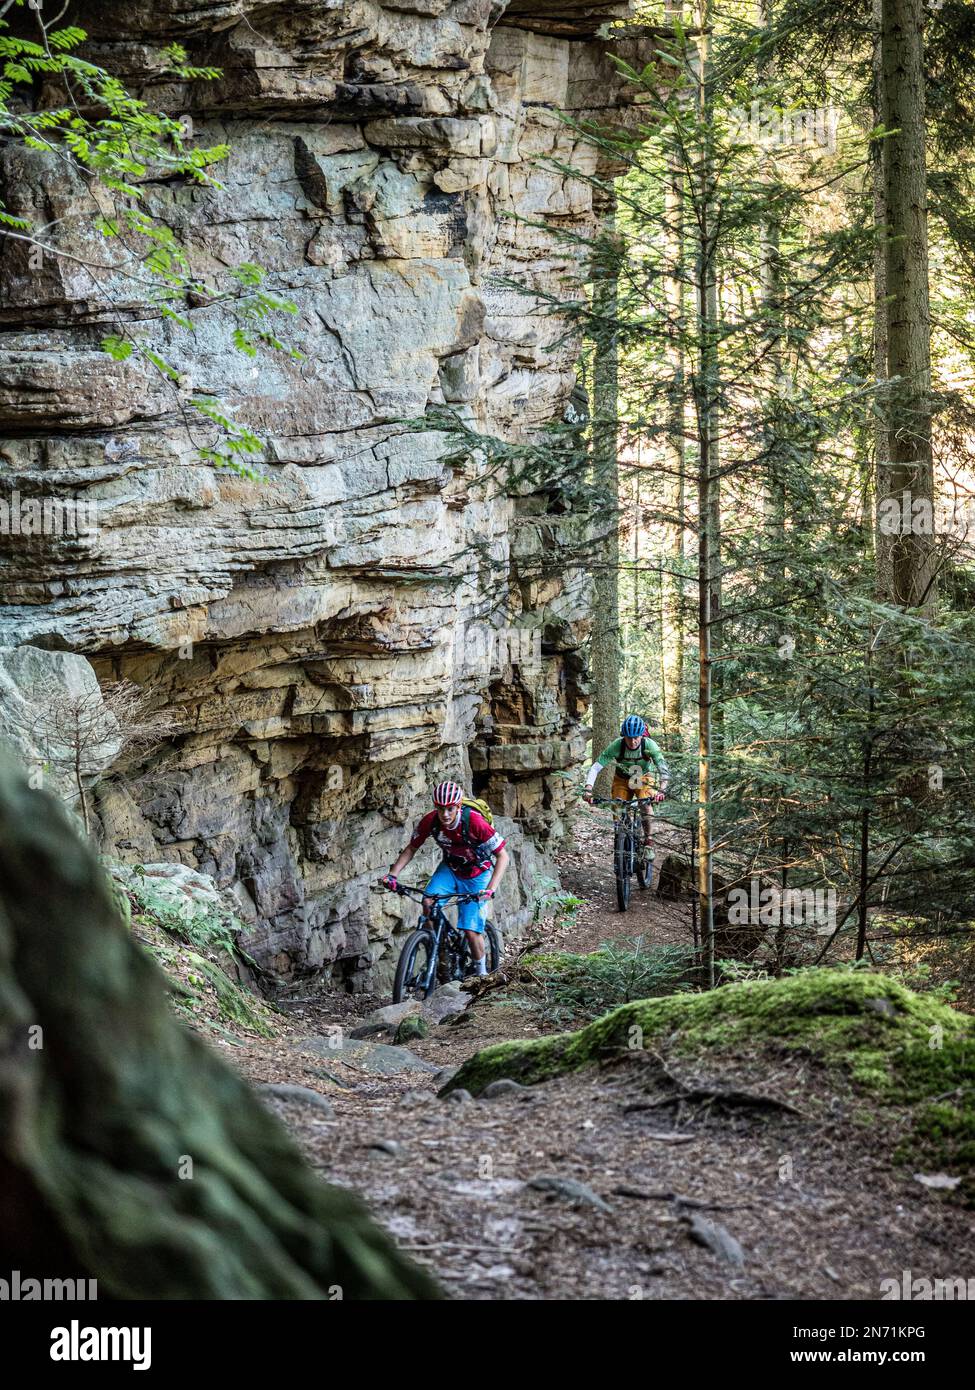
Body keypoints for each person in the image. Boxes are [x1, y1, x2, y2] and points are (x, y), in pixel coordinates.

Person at [382, 780, 509, 976]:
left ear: (458, 806)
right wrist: (393, 874)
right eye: (441, 809)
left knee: (470, 930)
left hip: (477, 875)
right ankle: (439, 951)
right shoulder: (431, 821)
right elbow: (411, 848)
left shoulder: (475, 822)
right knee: (428, 902)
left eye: (450, 809)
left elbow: (503, 856)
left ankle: (483, 976)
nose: (445, 814)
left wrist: (490, 888)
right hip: (450, 869)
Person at [582, 715, 670, 859]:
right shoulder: (617, 745)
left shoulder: (649, 745)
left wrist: (662, 789)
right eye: (629, 737)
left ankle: (648, 841)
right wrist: (588, 788)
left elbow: (663, 768)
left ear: (642, 735)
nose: (633, 741)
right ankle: (622, 839)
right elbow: (596, 767)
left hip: (642, 778)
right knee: (618, 808)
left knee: (645, 803)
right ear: (624, 736)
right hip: (622, 780)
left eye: (636, 737)